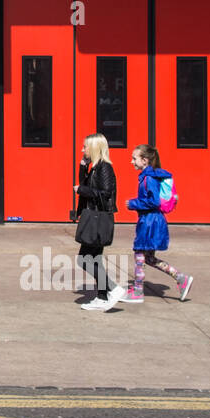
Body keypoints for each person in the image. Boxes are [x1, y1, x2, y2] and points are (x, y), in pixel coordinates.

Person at [121, 144, 194, 303]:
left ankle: (138, 291)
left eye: (134, 158)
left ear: (145, 160)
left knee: (140, 254)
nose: (131, 161)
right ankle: (181, 278)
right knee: (148, 258)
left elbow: (153, 201)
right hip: (153, 220)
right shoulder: (149, 176)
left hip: (150, 222)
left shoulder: (149, 178)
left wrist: (134, 204)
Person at [73, 133, 126, 311]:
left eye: (85, 147)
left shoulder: (105, 168)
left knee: (84, 260)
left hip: (99, 219)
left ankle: (114, 288)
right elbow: (86, 185)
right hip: (95, 218)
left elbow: (105, 193)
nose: (82, 149)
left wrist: (82, 190)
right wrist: (82, 166)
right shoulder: (95, 167)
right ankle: (103, 298)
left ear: (94, 148)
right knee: (95, 260)